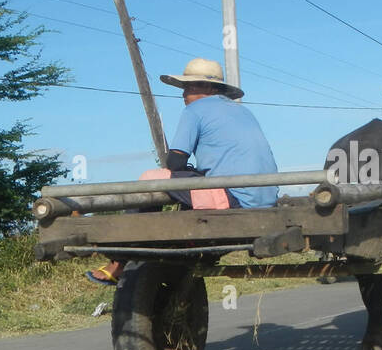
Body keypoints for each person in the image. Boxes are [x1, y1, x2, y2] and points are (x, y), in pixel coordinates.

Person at [86, 57, 278, 285]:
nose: (183, 92)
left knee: (151, 178)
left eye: (189, 86)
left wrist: (185, 169)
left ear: (208, 87)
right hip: (265, 198)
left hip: (234, 197)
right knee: (190, 180)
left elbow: (175, 162)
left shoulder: (195, 110)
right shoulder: (242, 111)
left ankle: (119, 259)